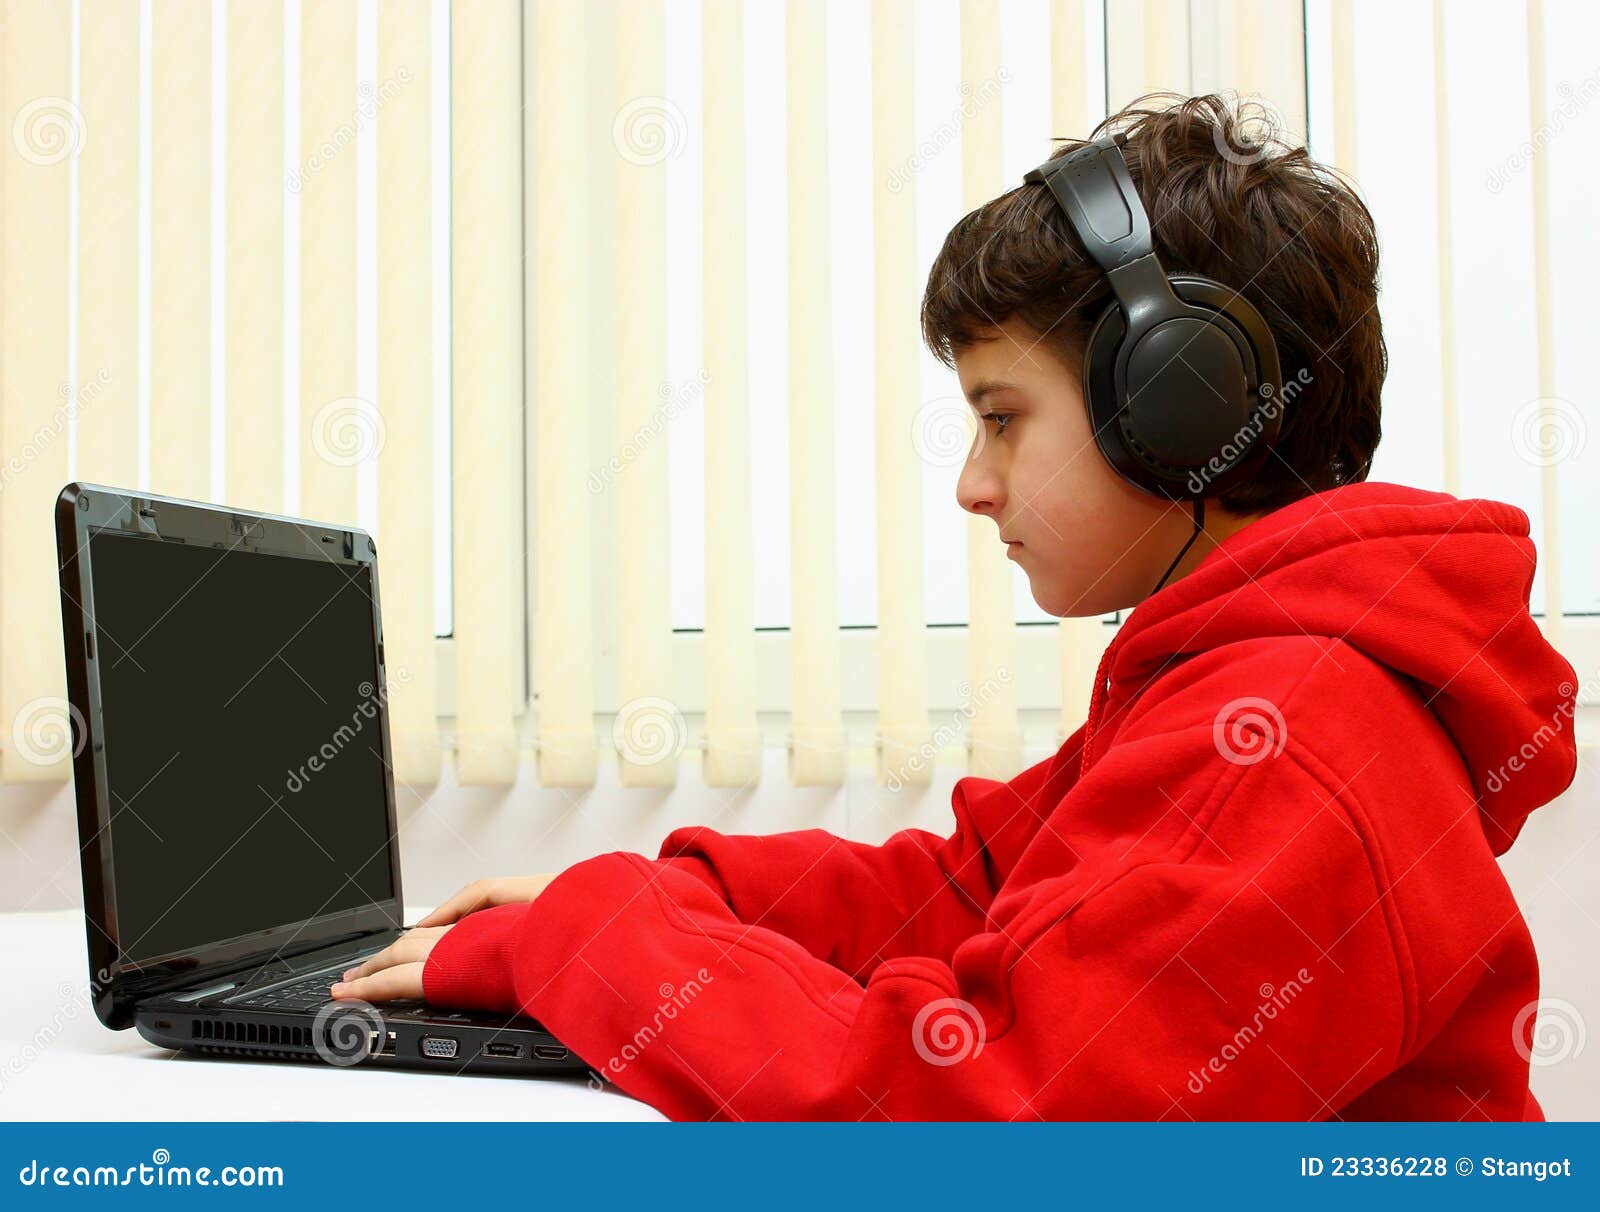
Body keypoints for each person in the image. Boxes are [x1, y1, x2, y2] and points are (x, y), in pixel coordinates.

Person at [331, 93, 1578, 1121]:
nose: (975, 489)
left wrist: (601, 949)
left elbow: (987, 1117)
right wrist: (627, 905)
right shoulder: (1252, 676)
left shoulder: (1280, 735)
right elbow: (971, 891)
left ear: (1180, 404)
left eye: (999, 418)